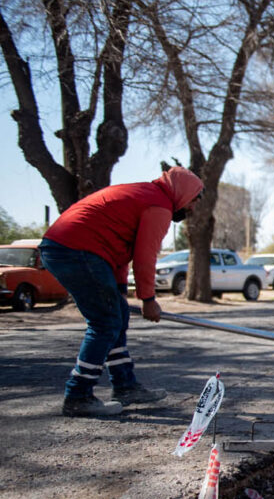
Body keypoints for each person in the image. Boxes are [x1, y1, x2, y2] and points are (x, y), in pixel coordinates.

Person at [39, 167, 205, 417]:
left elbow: (117, 251)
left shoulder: (145, 194)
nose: (192, 208)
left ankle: (125, 386)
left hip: (75, 250)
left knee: (117, 315)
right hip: (75, 250)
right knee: (105, 322)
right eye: (193, 200)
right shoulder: (158, 205)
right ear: (182, 193)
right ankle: (78, 395)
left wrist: (119, 291)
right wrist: (148, 300)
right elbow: (145, 257)